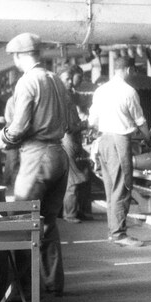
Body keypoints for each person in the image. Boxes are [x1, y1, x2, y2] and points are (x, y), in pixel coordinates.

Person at [0, 33, 69, 296]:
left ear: (20, 56)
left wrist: (1, 139)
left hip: (38, 157)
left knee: (20, 220)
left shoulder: (28, 82)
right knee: (47, 222)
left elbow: (20, 126)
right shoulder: (55, 79)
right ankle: (53, 283)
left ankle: (19, 290)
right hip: (59, 154)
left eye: (14, 58)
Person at [88, 56, 151, 246]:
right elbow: (140, 121)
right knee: (121, 187)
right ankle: (119, 234)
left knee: (110, 188)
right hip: (119, 141)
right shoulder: (129, 91)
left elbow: (92, 121)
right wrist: (149, 139)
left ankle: (113, 231)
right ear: (130, 70)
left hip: (103, 141)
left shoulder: (100, 90)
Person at [59, 65, 94, 223]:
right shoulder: (62, 97)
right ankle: (70, 214)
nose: (71, 83)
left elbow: (82, 99)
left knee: (84, 176)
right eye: (67, 79)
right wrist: (85, 124)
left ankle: (79, 210)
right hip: (68, 140)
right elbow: (67, 127)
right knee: (73, 179)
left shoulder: (69, 95)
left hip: (73, 140)